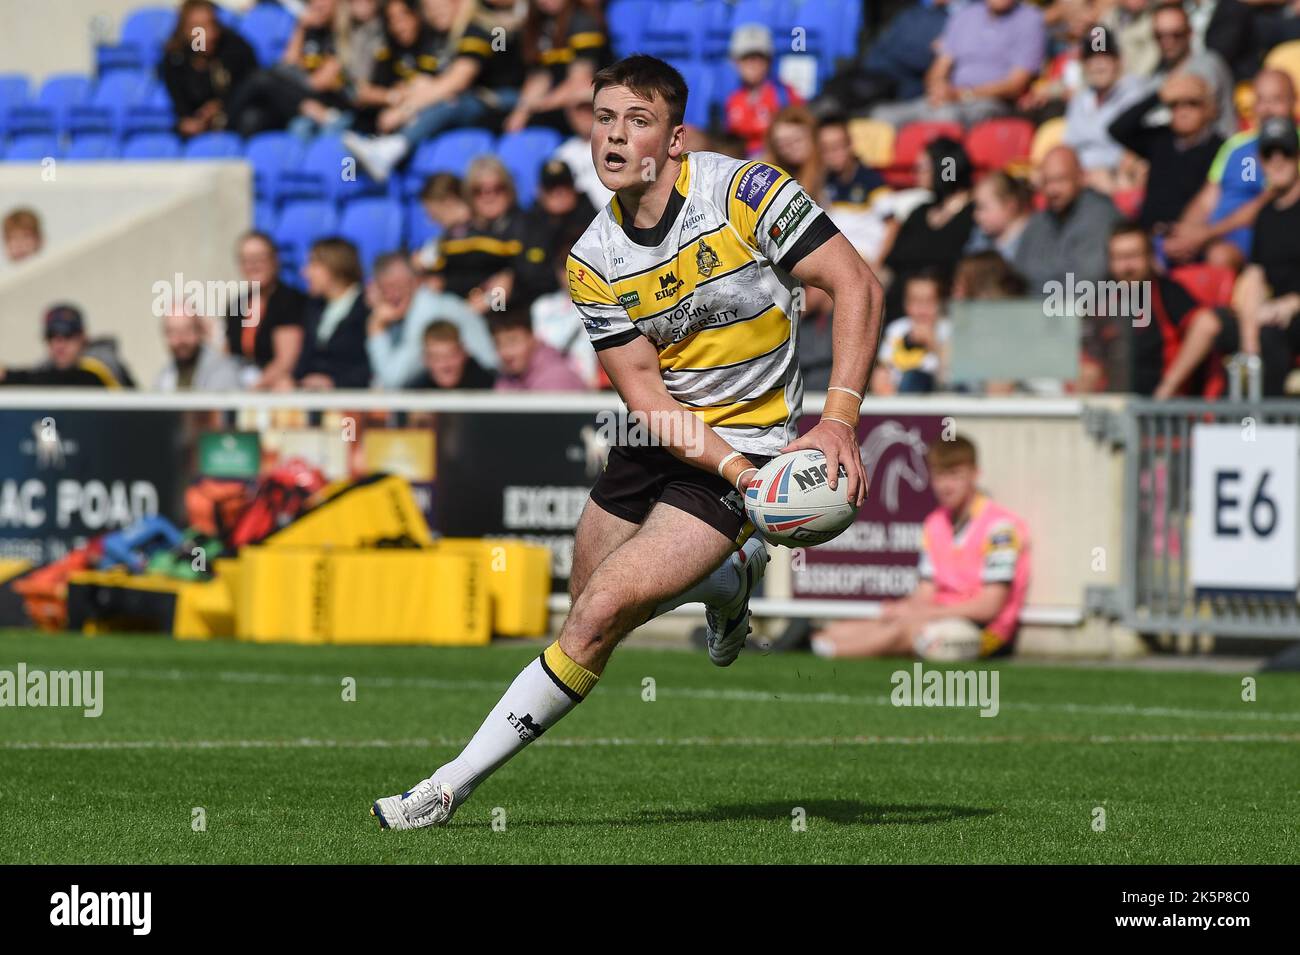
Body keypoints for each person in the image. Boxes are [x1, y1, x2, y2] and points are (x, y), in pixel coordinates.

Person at [370, 54, 883, 830]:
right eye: (603, 118)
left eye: (636, 121)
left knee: (598, 613)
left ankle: (444, 788)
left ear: (675, 139)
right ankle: (728, 585)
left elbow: (856, 283)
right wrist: (739, 472)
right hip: (666, 439)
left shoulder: (746, 194)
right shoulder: (591, 260)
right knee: (589, 608)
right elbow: (644, 393)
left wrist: (837, 417)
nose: (614, 135)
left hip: (752, 436)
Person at [812, 436, 1030, 660]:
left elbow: (989, 607)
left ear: (975, 474)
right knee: (886, 621)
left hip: (987, 631)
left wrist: (926, 613)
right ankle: (820, 641)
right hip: (943, 614)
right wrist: (904, 609)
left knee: (911, 632)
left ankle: (829, 651)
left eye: (955, 475)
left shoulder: (1000, 528)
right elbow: (926, 592)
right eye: (939, 476)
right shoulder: (934, 523)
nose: (946, 486)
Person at [1156, 117, 1300, 398]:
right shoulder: (1265, 214)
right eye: (1270, 153)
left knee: (1270, 337)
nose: (1278, 160)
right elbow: (1255, 274)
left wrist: (1290, 304)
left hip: (1291, 313)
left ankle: (1265, 427)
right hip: (1270, 313)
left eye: (1286, 152)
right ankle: (1180, 403)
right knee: (1215, 323)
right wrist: (1248, 335)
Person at [344, 0, 528, 183]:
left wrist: (404, 110)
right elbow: (427, 84)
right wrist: (403, 98)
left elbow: (457, 81)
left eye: (441, 7)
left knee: (449, 101)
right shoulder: (438, 38)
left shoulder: (476, 29)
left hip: (502, 99)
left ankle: (393, 147)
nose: (435, 14)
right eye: (430, 9)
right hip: (469, 99)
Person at [1164, 69, 1298, 270]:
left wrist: (1205, 234)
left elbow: (1270, 201)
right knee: (1160, 249)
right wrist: (1185, 234)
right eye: (1261, 100)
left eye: (1276, 100)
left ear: (1293, 102)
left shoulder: (1292, 145)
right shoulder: (1235, 145)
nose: (1267, 109)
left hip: (1254, 235)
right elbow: (1207, 199)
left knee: (1219, 257)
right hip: (1212, 234)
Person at [1081, 222, 1215, 394]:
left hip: (1162, 411)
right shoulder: (1101, 301)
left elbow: (1207, 325)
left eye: (1133, 256)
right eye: (1119, 258)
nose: (1127, 267)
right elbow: (1091, 364)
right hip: (1116, 407)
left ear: (1150, 257)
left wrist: (1168, 387)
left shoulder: (1167, 291)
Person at [871, 0, 1047, 128]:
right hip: (949, 99)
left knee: (945, 117)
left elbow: (1015, 85)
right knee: (881, 117)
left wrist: (962, 94)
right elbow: (939, 68)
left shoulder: (1030, 20)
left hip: (990, 104)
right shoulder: (965, 16)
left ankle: (948, 176)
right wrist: (938, 87)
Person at [1107, 71, 1224, 238]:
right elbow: (1117, 129)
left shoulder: (1221, 148)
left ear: (1209, 108)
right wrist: (1158, 95)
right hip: (1147, 236)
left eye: (1192, 103)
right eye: (1174, 104)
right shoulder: (1161, 139)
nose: (1183, 111)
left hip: (1188, 239)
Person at [365, 251, 494, 388]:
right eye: (385, 288)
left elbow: (393, 379)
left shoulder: (428, 310)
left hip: (482, 390)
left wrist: (375, 328)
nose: (392, 295)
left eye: (398, 285)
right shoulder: (408, 310)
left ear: (416, 281)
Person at [881, 136, 975, 319]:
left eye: (922, 167)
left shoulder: (974, 215)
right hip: (895, 314)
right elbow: (889, 268)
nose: (916, 173)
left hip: (943, 316)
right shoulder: (918, 213)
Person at [227, 0, 348, 137]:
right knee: (252, 117)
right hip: (296, 98)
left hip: (325, 101)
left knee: (261, 79)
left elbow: (317, 83)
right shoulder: (310, 31)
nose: (317, 5)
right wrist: (301, 28)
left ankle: (226, 119)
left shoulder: (343, 37)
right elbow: (288, 62)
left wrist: (290, 77)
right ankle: (305, 106)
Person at [1013, 145, 1122, 292]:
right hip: (1036, 309)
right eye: (1047, 182)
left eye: (1060, 180)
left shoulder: (1102, 216)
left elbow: (1088, 280)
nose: (1052, 190)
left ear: (1081, 177)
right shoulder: (1039, 221)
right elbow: (1019, 274)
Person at [427, 156, 526, 313]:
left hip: (506, 316)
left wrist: (487, 302)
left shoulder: (524, 226)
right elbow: (440, 277)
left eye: (497, 188)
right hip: (462, 311)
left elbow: (518, 284)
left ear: (509, 189)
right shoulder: (459, 233)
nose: (488, 196)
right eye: (478, 190)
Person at [1063, 25, 1149, 193]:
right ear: (1084, 65)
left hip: (1117, 176)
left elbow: (1139, 149)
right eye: (1092, 59)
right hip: (1080, 177)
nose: (1098, 66)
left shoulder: (1135, 93)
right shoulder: (1080, 99)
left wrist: (1113, 174)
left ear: (1118, 60)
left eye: (1105, 57)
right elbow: (1069, 145)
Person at [505, 0, 609, 133]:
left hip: (590, 96)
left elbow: (580, 80)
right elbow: (540, 77)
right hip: (555, 98)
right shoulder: (540, 26)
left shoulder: (584, 21)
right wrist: (521, 111)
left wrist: (540, 106)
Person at [158, 0, 259, 138]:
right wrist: (193, 122)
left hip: (236, 121)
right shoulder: (175, 61)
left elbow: (251, 85)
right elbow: (182, 111)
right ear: (185, 31)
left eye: (212, 25)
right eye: (199, 29)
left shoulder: (235, 49)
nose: (209, 35)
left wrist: (221, 105)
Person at [224, 231, 306, 391]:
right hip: (240, 383)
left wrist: (254, 389)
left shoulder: (290, 301)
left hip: (270, 387)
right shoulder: (237, 304)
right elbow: (228, 353)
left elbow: (286, 360)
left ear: (275, 260)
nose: (253, 266)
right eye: (246, 260)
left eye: (259, 258)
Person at [1149, 1, 1237, 139]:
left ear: (1190, 33)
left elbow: (1200, 113)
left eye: (1176, 34)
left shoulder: (1208, 64)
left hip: (1215, 153)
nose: (1167, 41)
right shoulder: (1157, 73)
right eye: (1160, 35)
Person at [293, 238, 372, 389]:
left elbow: (372, 365)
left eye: (313, 265)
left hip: (353, 400)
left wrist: (335, 382)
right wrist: (293, 381)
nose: (304, 272)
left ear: (335, 266)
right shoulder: (313, 307)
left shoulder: (366, 306)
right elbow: (305, 359)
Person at [0, 306, 135, 388]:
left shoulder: (102, 362)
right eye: (51, 336)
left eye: (68, 335)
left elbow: (72, 380)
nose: (59, 345)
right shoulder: (46, 369)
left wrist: (8, 376)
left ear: (83, 337)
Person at [723, 23, 802, 156]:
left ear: (769, 61)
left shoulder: (785, 95)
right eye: (746, 58)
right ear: (736, 62)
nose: (752, 64)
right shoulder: (732, 99)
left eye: (759, 57)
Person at [872, 269, 951, 395]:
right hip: (897, 395)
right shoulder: (897, 329)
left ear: (940, 303)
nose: (921, 309)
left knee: (915, 377)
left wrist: (933, 344)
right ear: (905, 303)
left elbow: (951, 372)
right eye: (915, 301)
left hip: (934, 395)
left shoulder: (945, 330)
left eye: (929, 301)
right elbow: (885, 365)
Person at [488, 304, 587, 391]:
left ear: (532, 338)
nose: (505, 352)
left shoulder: (557, 379)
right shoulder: (505, 379)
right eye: (498, 344)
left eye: (512, 342)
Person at [154, 307, 243, 391]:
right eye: (173, 332)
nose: (180, 340)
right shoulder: (165, 374)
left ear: (200, 331)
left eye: (187, 330)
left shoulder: (223, 370)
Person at [552, 97, 614, 209]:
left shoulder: (614, 144)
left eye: (589, 111)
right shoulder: (562, 154)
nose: (585, 117)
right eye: (580, 113)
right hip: (581, 219)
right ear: (570, 116)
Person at [965, 169, 1032, 262]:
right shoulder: (981, 236)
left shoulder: (1033, 239)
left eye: (982, 207)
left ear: (1010, 205)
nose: (976, 215)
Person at [411, 172, 472, 273]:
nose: (430, 220)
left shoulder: (483, 227)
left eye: (434, 214)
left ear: (449, 201)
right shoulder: (452, 233)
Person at [407, 320, 496, 388]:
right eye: (437, 358)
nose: (445, 365)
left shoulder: (493, 387)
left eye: (451, 355)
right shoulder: (413, 393)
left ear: (464, 353)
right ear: (425, 359)